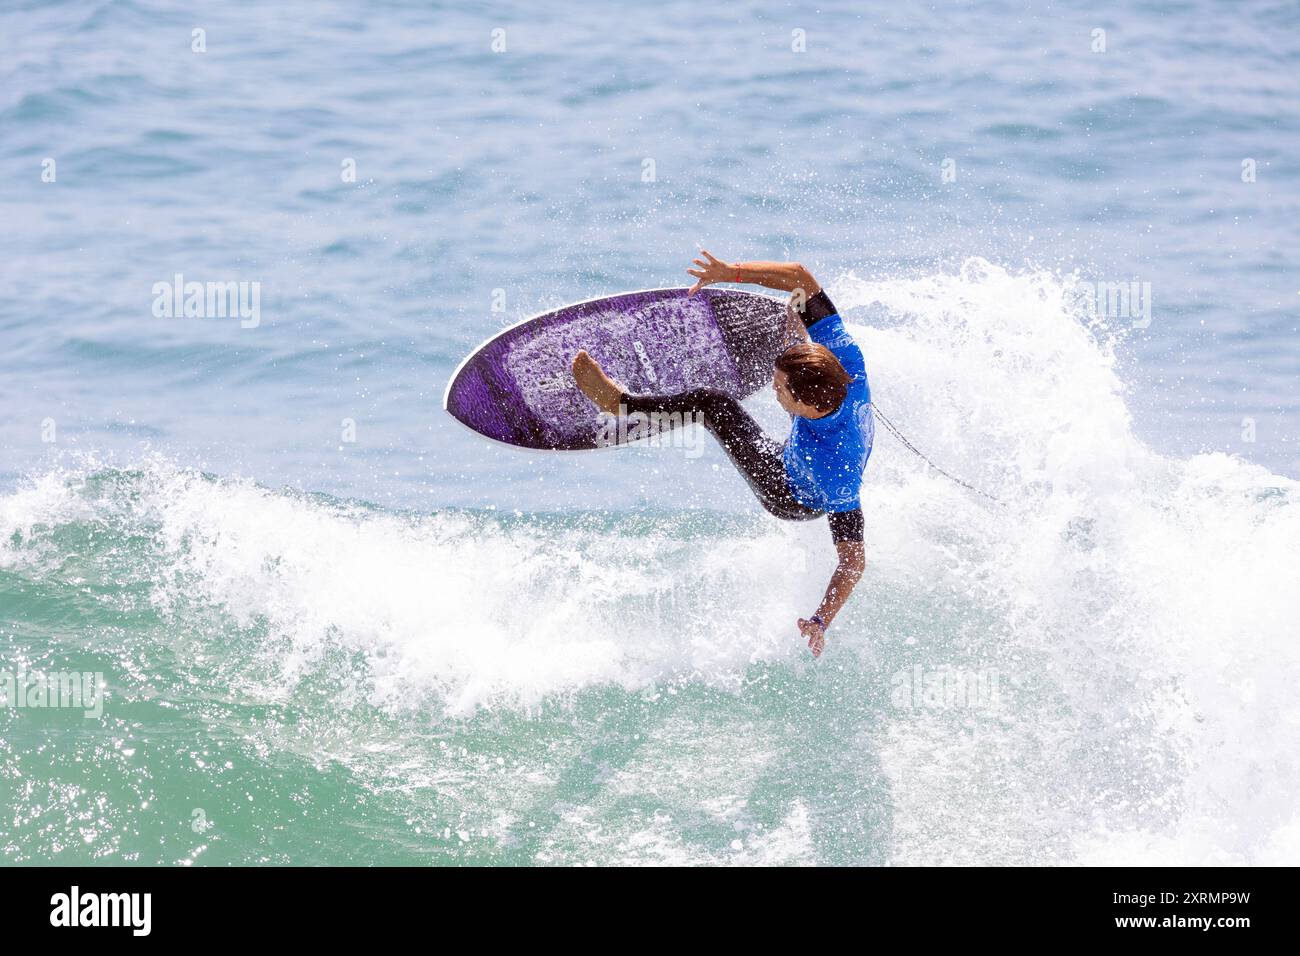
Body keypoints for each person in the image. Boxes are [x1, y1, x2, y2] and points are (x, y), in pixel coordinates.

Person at [572, 251, 873, 657]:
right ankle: (793, 340)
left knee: (712, 405)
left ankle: (620, 404)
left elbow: (853, 561)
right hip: (804, 449)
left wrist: (820, 620)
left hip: (790, 492)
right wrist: (729, 273)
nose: (773, 389)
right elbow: (801, 277)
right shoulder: (848, 360)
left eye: (781, 389)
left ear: (806, 406)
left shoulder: (836, 472)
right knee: (796, 314)